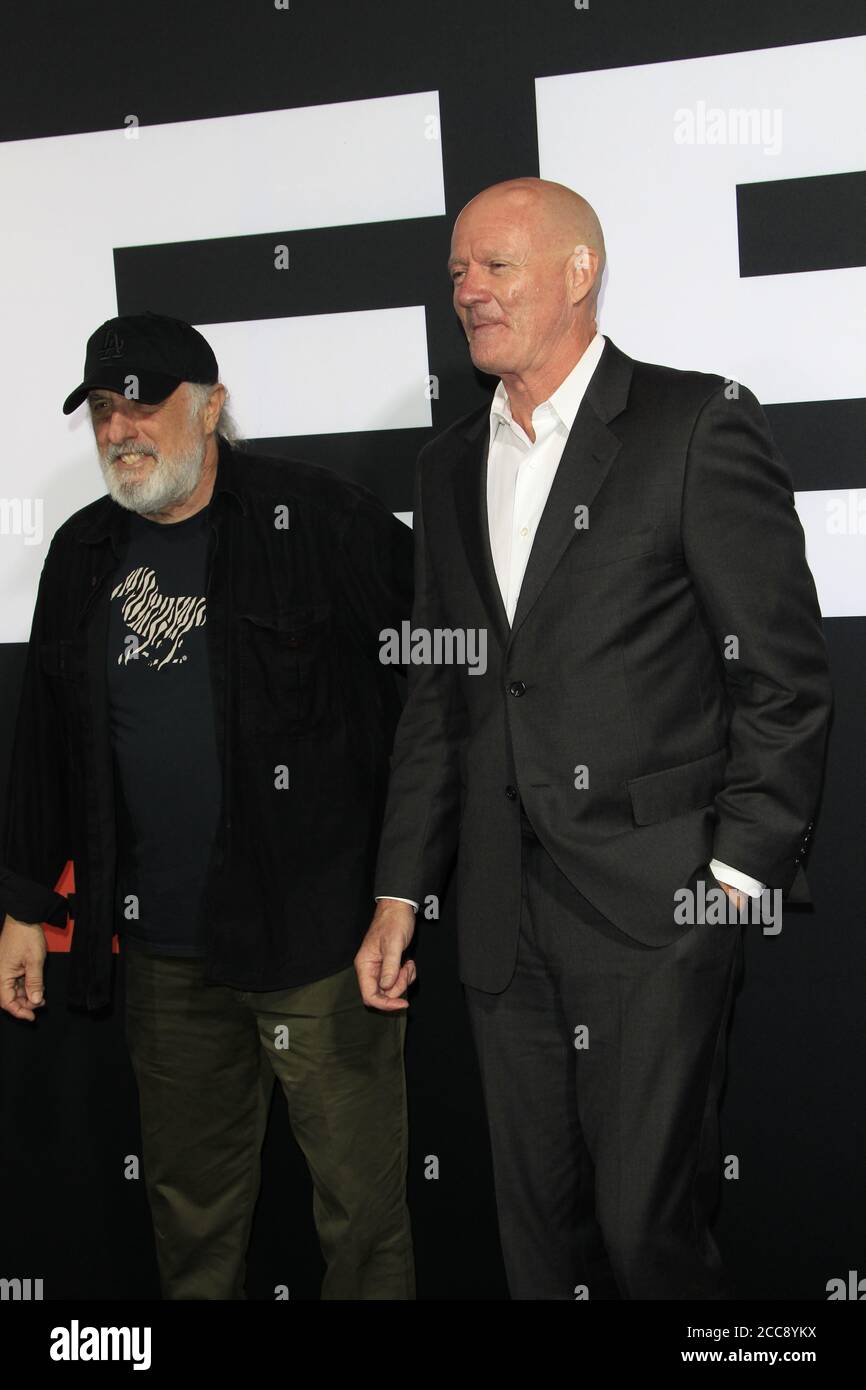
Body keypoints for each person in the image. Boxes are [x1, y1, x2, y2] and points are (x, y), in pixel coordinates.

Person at [356, 178, 832, 1300]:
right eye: (456, 272)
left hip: (654, 909)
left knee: (643, 1237)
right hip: (492, 922)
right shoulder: (443, 466)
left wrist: (729, 881)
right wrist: (396, 890)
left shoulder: (691, 424)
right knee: (535, 1242)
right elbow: (439, 695)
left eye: (495, 267)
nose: (467, 290)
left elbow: (782, 674)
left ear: (579, 273)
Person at [0, 311, 415, 1300]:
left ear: (212, 406)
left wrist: (402, 885)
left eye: (146, 404)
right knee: (191, 1217)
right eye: (104, 409)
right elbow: (47, 739)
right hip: (161, 955)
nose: (121, 429)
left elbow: (433, 702)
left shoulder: (321, 520)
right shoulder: (83, 552)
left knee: (361, 1215)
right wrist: (23, 901)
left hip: (316, 942)